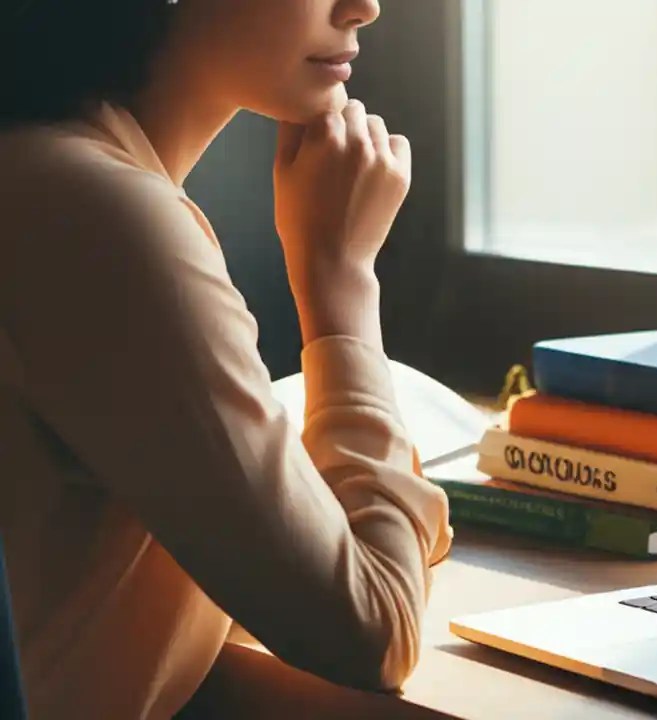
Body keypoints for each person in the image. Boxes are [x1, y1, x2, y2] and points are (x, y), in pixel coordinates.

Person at [0, 0, 454, 718]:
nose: (364, 7)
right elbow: (375, 630)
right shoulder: (100, 215)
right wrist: (340, 284)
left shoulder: (46, 175)